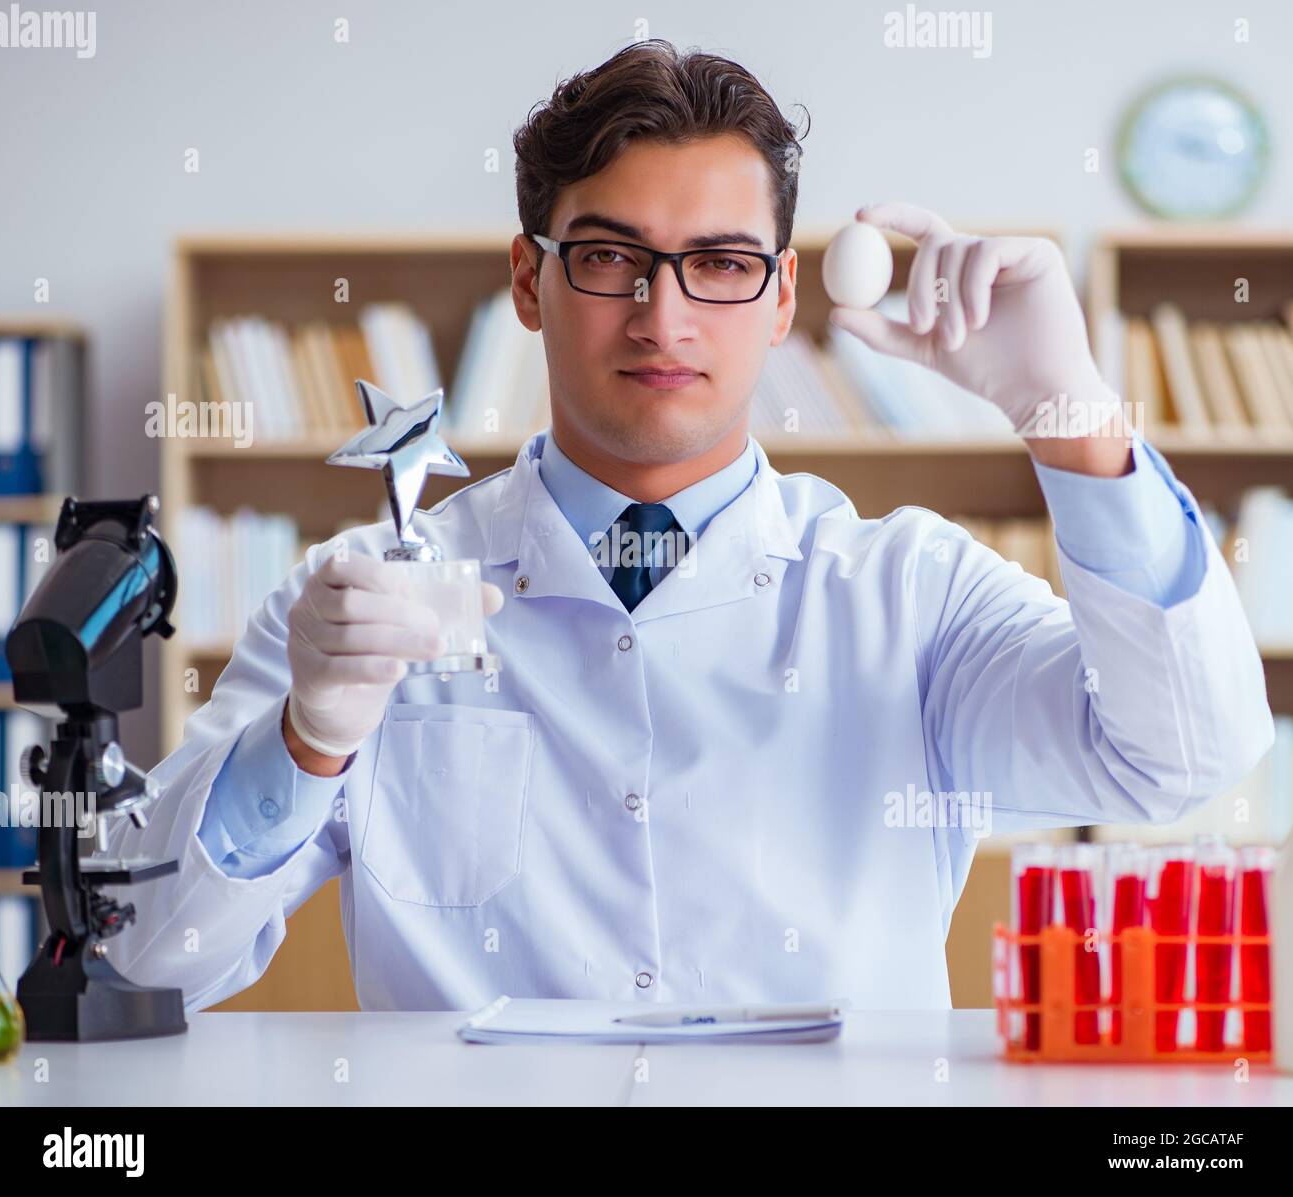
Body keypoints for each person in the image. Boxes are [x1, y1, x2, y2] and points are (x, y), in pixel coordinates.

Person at [106, 40, 1272, 1013]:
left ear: (780, 300)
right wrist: (308, 743)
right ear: (528, 281)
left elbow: (1183, 760)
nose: (663, 316)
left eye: (717, 263)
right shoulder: (363, 599)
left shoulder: (911, 592)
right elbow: (143, 954)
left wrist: (1072, 426)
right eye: (611, 257)